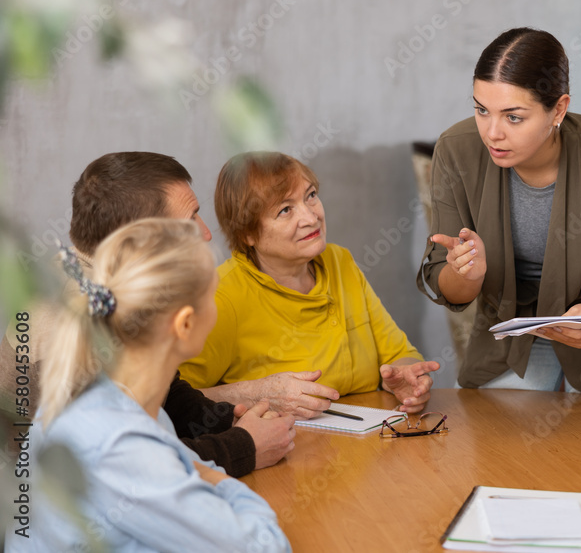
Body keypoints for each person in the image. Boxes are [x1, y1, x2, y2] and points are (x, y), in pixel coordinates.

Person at [3, 152, 293, 477]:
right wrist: (244, 447)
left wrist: (226, 418)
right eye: (189, 221)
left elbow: (164, 390)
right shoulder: (79, 328)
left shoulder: (101, 275)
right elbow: (128, 467)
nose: (206, 234)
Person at [9, 219, 290, 552]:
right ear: (185, 324)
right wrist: (222, 483)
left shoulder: (114, 398)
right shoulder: (119, 441)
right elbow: (264, 546)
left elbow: (190, 467)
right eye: (212, 296)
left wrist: (203, 474)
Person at [417, 27, 581, 399]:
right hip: (510, 343)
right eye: (481, 110)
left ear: (559, 109)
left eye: (513, 117)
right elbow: (446, 279)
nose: (492, 133)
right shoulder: (456, 151)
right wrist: (467, 273)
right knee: (494, 452)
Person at [179, 151, 439, 414]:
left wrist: (408, 379)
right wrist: (255, 394)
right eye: (285, 210)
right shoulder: (222, 295)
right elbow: (177, 402)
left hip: (373, 444)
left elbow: (398, 354)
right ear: (247, 233)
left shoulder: (340, 261)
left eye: (311, 195)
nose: (311, 217)